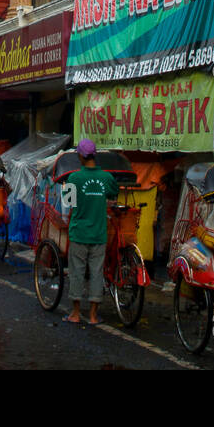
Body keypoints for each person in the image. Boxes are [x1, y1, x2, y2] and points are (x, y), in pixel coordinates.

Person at [62, 138, 118, 325]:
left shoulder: (73, 178)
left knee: (77, 272)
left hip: (79, 232)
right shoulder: (107, 178)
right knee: (96, 273)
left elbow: (68, 203)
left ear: (80, 155)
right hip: (99, 233)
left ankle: (76, 313)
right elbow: (112, 194)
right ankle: (93, 315)